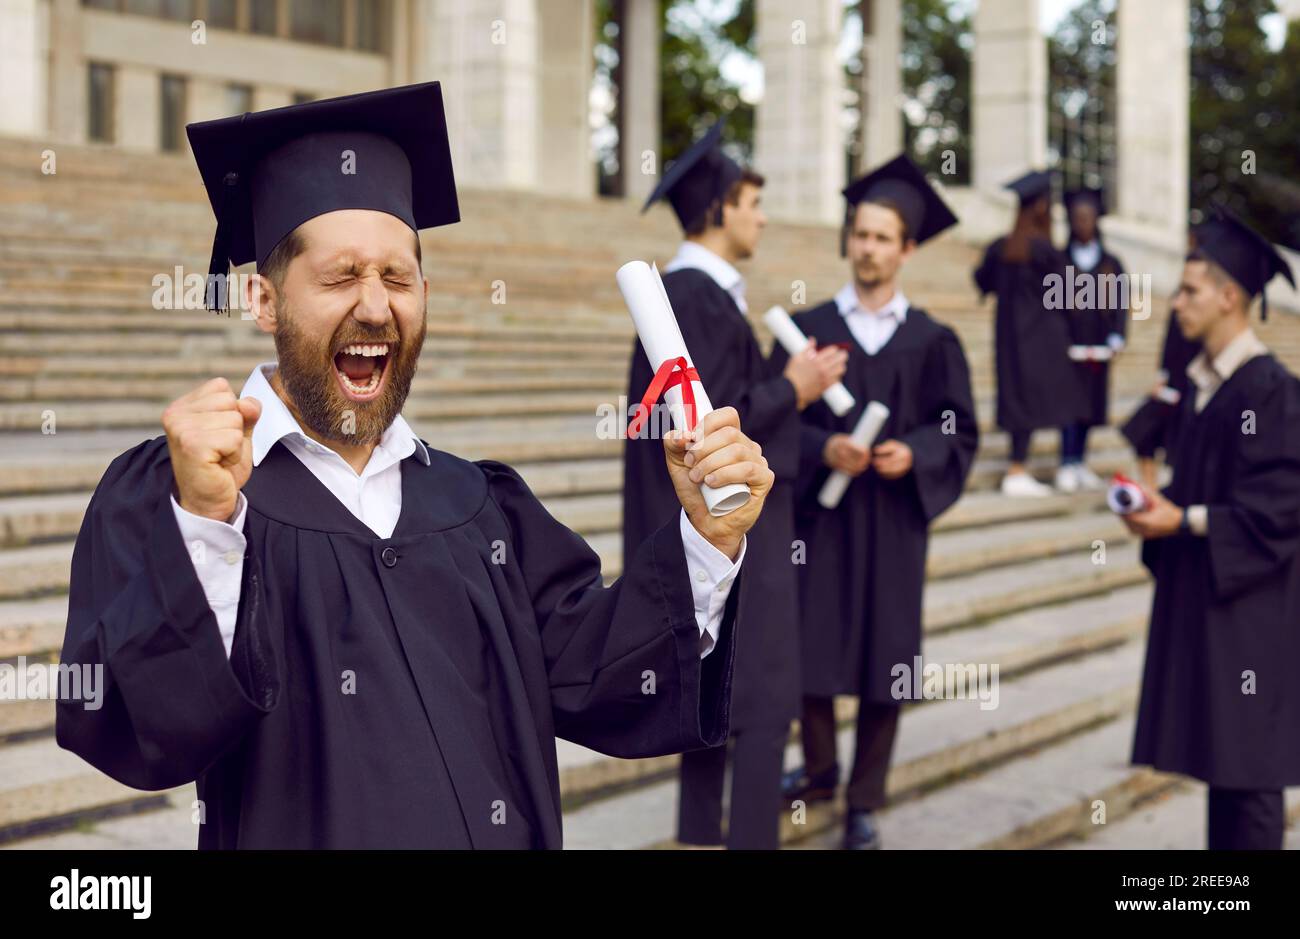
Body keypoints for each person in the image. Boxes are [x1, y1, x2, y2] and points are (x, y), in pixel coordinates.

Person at [54, 83, 777, 849]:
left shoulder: (480, 504)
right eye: (341, 276)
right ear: (263, 300)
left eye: (397, 278)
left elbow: (598, 673)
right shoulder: (180, 493)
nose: (375, 307)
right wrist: (204, 528)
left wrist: (705, 542)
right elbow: (133, 725)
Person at [622, 117, 847, 850]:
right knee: (751, 709)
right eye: (751, 200)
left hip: (722, 544)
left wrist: (814, 434)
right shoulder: (690, 296)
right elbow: (710, 434)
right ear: (718, 206)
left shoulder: (695, 295)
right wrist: (794, 385)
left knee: (715, 713)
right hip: (728, 546)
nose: (762, 215)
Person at [771, 154, 978, 849]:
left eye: (884, 237)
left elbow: (959, 428)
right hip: (819, 522)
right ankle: (823, 770)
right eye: (860, 233)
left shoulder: (933, 340)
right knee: (813, 649)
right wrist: (818, 449)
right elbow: (768, 421)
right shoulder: (806, 330)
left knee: (888, 658)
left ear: (907, 249)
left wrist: (916, 451)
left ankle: (865, 797)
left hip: (893, 519)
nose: (868, 247)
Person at [1123, 207, 1300, 850]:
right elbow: (1208, 493)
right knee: (1227, 772)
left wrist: (1184, 518)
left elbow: (1281, 506)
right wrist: (1158, 508)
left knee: (1251, 778)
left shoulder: (1272, 390)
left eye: (1190, 289)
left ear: (1231, 298)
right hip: (1215, 604)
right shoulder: (1205, 386)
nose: (1176, 303)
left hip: (1254, 616)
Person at [974, 171, 1090, 497]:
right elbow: (1072, 298)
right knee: (1055, 397)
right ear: (1042, 207)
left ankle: (1020, 466)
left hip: (1009, 339)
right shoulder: (1046, 253)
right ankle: (1037, 467)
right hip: (1044, 340)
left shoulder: (1001, 249)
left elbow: (983, 282)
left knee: (1017, 398)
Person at [1057, 189, 1127, 492]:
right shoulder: (1059, 260)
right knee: (1068, 404)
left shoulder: (1111, 262)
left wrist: (1118, 336)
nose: (1083, 223)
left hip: (1099, 345)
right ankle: (1065, 462)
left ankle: (1080, 462)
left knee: (1090, 403)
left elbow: (1121, 302)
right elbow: (1050, 305)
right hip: (1068, 347)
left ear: (1096, 220)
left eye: (1088, 217)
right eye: (1077, 218)